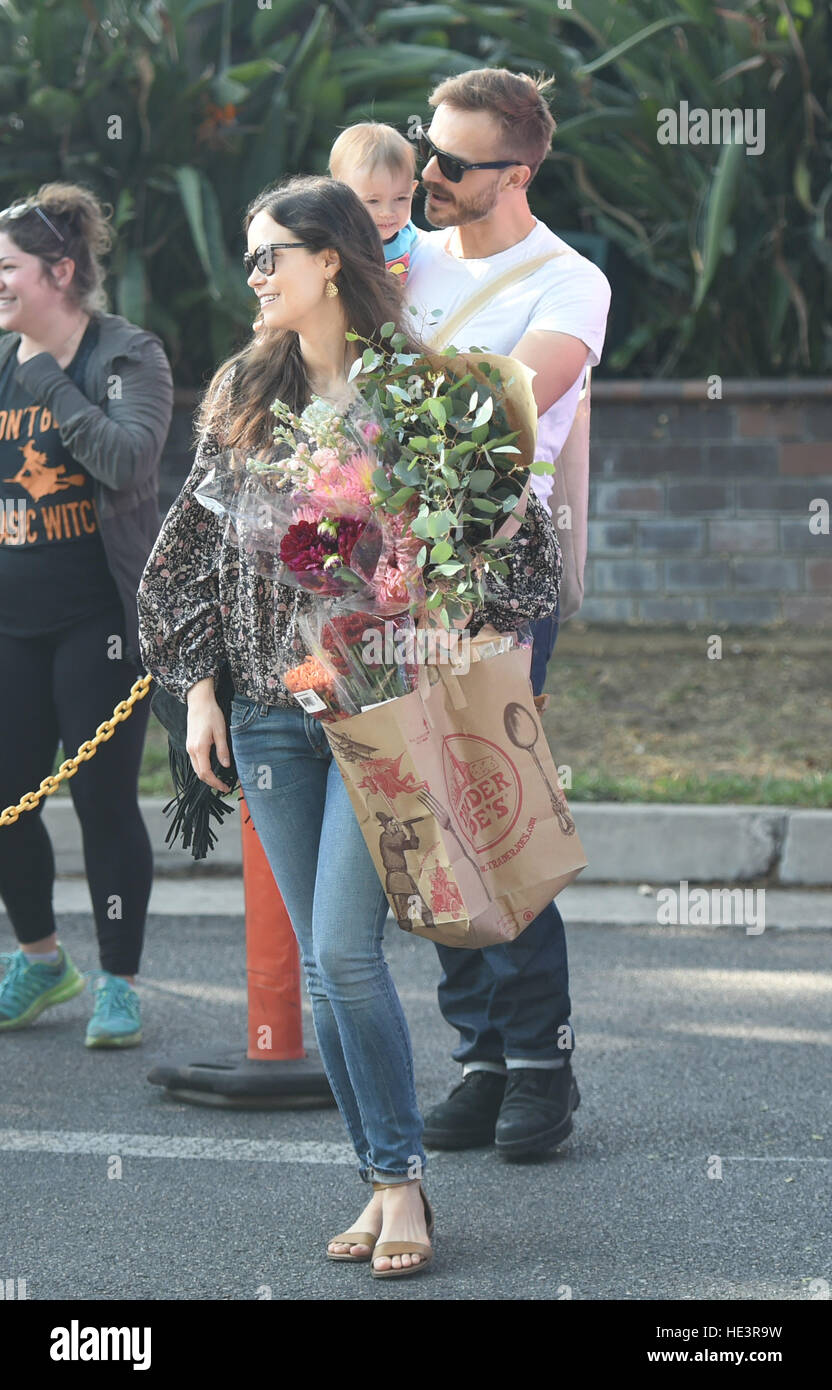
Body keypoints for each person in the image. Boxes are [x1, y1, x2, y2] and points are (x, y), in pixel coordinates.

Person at [137, 174, 560, 1276]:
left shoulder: (430, 391)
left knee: (342, 952)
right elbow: (191, 547)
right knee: (329, 972)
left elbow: (521, 554)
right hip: (274, 713)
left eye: (270, 254)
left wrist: (447, 624)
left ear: (332, 258)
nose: (255, 276)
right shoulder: (245, 387)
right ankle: (387, 1175)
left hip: (392, 717)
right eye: (249, 258)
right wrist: (195, 690)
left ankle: (396, 1180)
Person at [405, 68, 611, 1159]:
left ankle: (542, 1061)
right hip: (387, 562)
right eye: (423, 148)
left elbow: (501, 410)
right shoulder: (407, 254)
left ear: (516, 172)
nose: (429, 173)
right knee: (428, 816)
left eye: (453, 162)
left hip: (493, 569)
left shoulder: (569, 281)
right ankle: (480, 1051)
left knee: (495, 813)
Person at [0, 183, 173, 1046]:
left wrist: (51, 385)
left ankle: (118, 981)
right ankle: (39, 958)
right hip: (10, 623)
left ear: (59, 272)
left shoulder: (124, 357)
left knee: (103, 803)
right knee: (4, 800)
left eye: (8, 269)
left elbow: (128, 460)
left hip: (99, 621)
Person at [329, 122, 420, 281]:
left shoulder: (408, 233)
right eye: (372, 201)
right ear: (340, 196)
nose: (387, 212)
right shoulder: (338, 243)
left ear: (412, 190)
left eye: (401, 198)